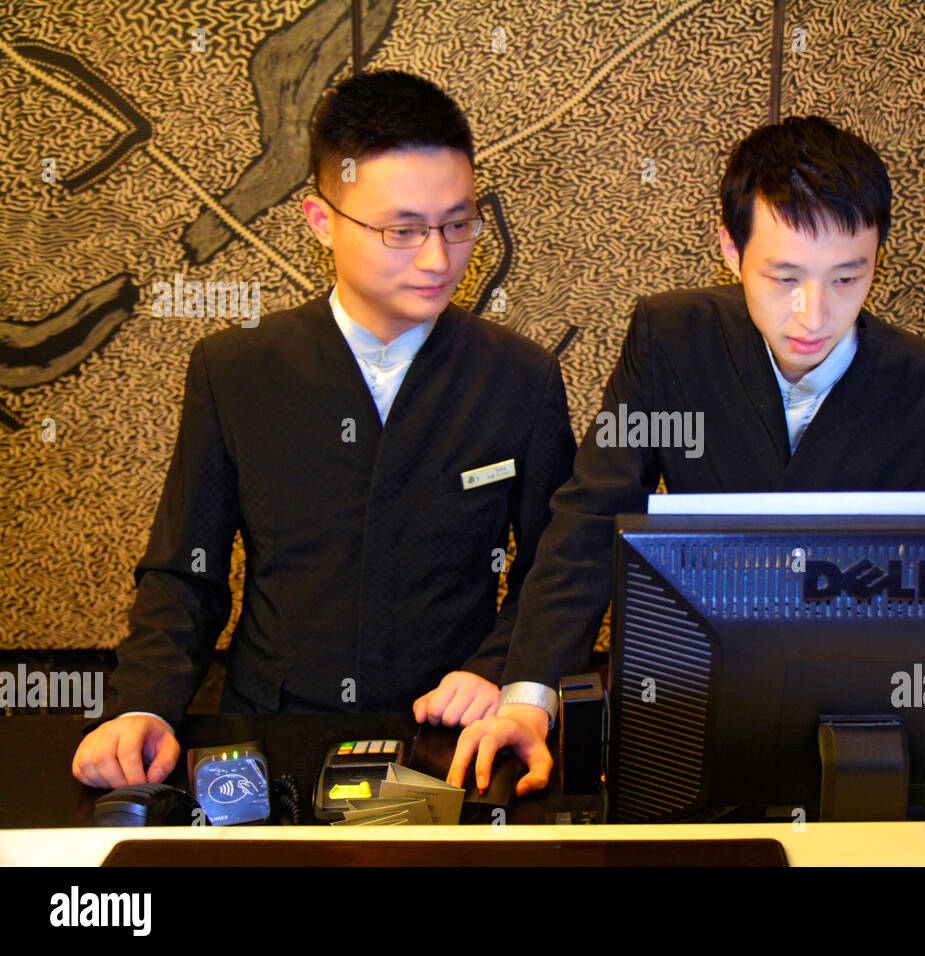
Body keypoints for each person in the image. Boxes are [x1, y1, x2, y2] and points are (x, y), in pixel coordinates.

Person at [434, 115, 925, 796]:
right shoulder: (672, 341)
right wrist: (527, 700)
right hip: (693, 711)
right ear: (730, 251)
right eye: (784, 276)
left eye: (848, 279)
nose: (812, 315)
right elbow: (593, 516)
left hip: (869, 742)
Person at [72, 70, 576, 788]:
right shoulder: (235, 368)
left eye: (458, 224)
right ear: (321, 220)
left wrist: (496, 671)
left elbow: (551, 568)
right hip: (270, 736)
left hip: (453, 736)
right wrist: (141, 709)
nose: (439, 259)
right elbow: (186, 574)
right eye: (402, 230)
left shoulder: (519, 377)